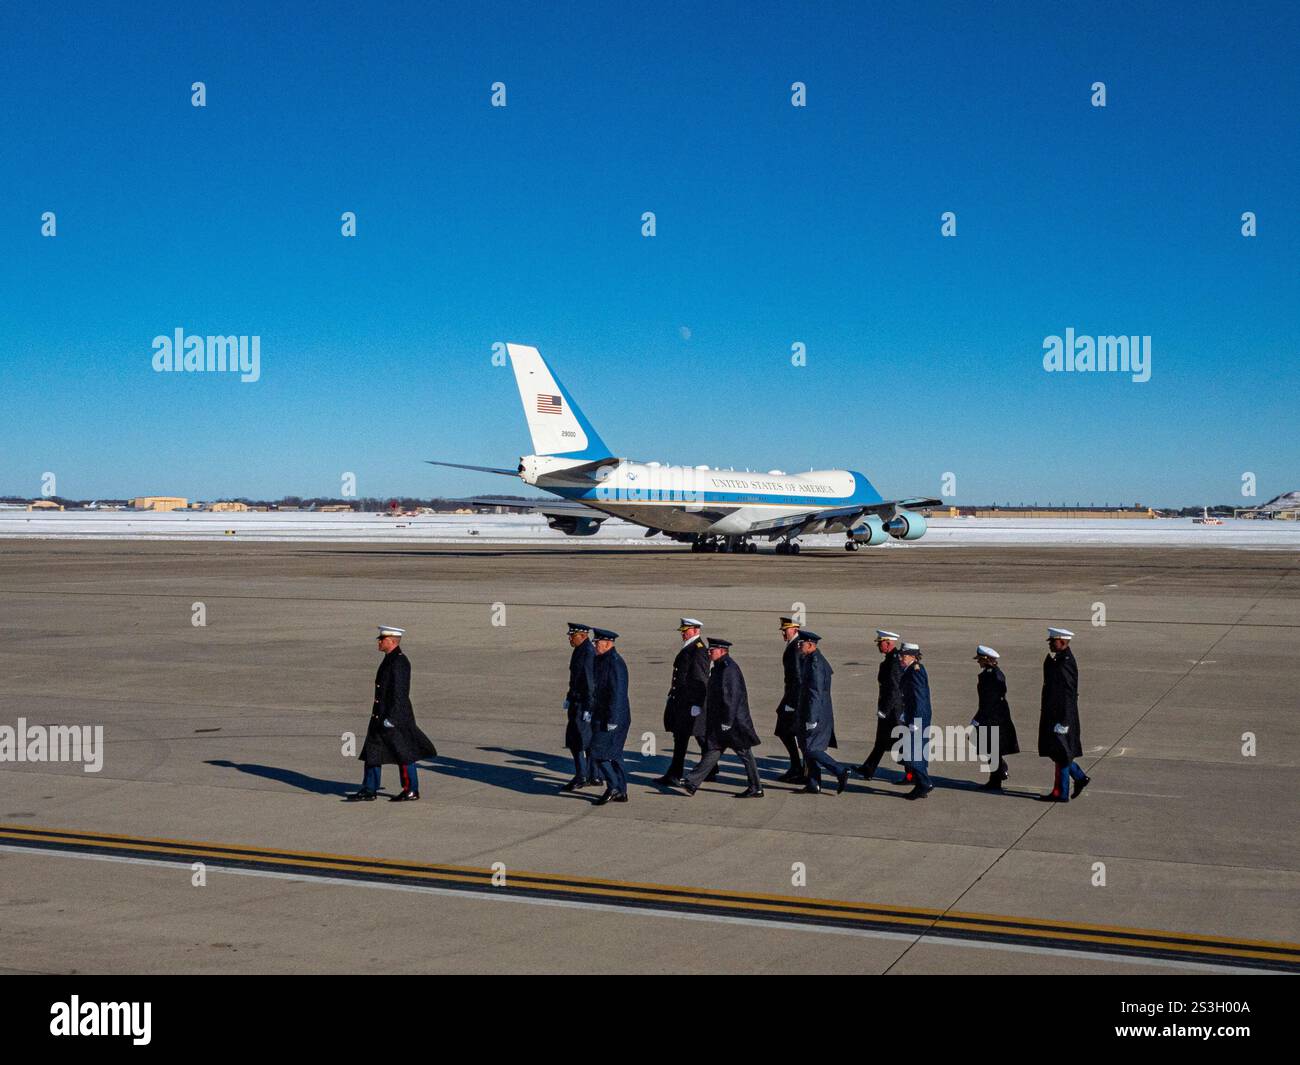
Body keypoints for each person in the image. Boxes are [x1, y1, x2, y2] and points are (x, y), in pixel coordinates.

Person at [348, 625, 438, 802]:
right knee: (373, 752)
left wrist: (392, 719)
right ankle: (369, 789)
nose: (379, 642)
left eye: (381, 639)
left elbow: (400, 693)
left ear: (391, 641)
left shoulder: (399, 662)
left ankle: (411, 790)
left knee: (403, 754)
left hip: (394, 718)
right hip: (380, 716)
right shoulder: (390, 659)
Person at [680, 638, 764, 798]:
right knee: (714, 750)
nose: (709, 652)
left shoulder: (728, 669)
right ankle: (692, 782)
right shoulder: (720, 667)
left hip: (733, 723)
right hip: (723, 721)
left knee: (744, 752)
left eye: (712, 650)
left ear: (722, 651)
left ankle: (756, 787)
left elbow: (731, 698)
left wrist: (727, 722)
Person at [654, 617, 712, 786]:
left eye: (686, 631)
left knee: (698, 737)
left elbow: (701, 680)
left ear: (696, 630)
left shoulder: (698, 650)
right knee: (683, 737)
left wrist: (697, 704)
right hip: (682, 701)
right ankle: (677, 772)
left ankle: (704, 769)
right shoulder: (690, 647)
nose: (683, 634)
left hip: (690, 703)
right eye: (683, 631)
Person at [1038, 627, 1090, 802]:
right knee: (1060, 753)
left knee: (1061, 754)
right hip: (1056, 714)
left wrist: (1064, 721)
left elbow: (1069, 693)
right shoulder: (1060, 659)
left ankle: (1060, 793)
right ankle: (1080, 778)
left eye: (1053, 641)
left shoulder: (1066, 662)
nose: (1050, 644)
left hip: (1062, 716)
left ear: (1062, 642)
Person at [795, 631, 849, 794]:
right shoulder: (809, 659)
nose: (799, 646)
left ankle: (840, 771)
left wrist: (812, 718)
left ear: (811, 645)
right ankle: (814, 783)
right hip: (808, 711)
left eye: (802, 643)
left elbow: (815, 693)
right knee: (806, 747)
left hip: (816, 713)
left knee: (812, 748)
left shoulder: (815, 664)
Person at [589, 628, 632, 805]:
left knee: (597, 752)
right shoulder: (602, 660)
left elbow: (618, 694)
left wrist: (613, 720)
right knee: (615, 755)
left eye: (597, 642)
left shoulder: (615, 663)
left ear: (607, 644)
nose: (595, 645)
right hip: (604, 715)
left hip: (613, 718)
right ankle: (621, 791)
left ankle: (613, 786)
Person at [859, 629, 907, 782]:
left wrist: (884, 710)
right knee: (881, 741)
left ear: (888, 643)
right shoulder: (890, 659)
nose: (878, 646)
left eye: (880, 643)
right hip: (889, 709)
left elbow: (894, 688)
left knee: (901, 744)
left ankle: (915, 775)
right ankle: (868, 769)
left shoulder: (894, 661)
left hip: (893, 710)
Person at [971, 645, 1019, 790]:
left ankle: (998, 773)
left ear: (986, 660)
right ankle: (997, 776)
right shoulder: (989, 673)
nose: (978, 662)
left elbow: (990, 701)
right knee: (988, 747)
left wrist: (978, 718)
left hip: (993, 717)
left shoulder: (993, 676)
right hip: (991, 715)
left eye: (980, 659)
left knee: (988, 747)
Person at [561, 621, 600, 792]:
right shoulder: (580, 650)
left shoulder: (586, 653)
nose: (570, 638)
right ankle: (594, 775)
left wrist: (587, 708)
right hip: (578, 700)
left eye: (573, 635)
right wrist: (569, 696)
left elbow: (589, 684)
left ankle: (582, 776)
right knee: (588, 741)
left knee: (576, 741)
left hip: (583, 704)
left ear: (583, 636)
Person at [897, 642, 934, 800]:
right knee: (914, 752)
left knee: (912, 754)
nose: (901, 658)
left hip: (917, 718)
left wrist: (915, 721)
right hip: (912, 715)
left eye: (904, 655)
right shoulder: (911, 669)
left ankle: (925, 783)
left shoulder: (916, 671)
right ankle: (920, 785)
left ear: (913, 656)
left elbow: (919, 698)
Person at [773, 616, 805, 783]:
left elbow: (798, 679)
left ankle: (799, 769)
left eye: (785, 630)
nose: (783, 633)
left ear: (795, 629)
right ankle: (797, 767)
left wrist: (792, 703)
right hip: (792, 696)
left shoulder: (796, 647)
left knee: (788, 731)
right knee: (787, 731)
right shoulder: (793, 645)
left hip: (795, 699)